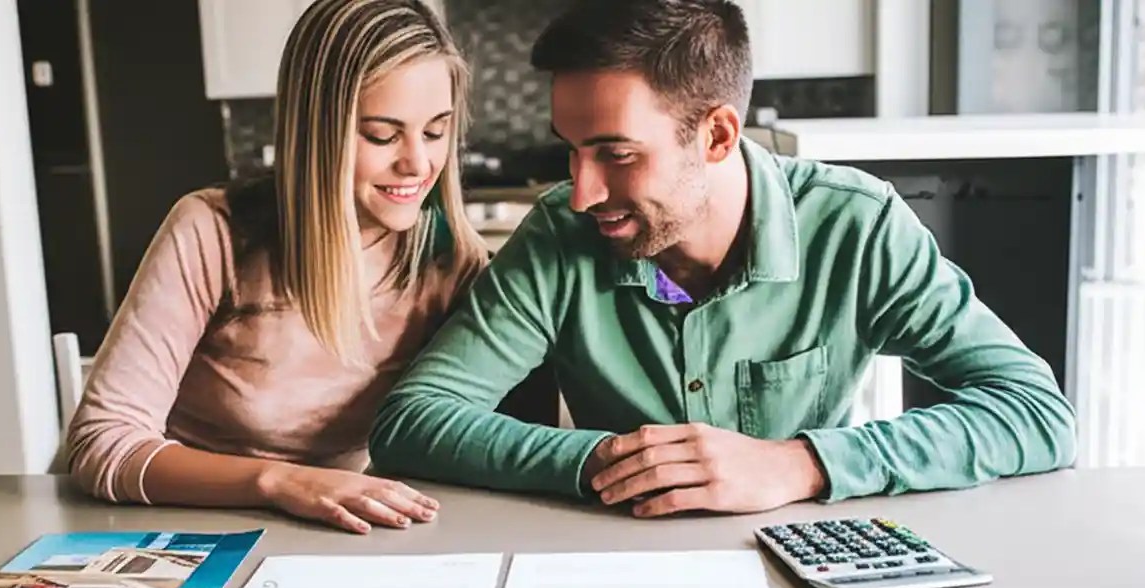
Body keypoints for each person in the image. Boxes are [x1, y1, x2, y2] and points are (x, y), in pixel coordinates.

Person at [369, 0, 1077, 518]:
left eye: (616, 154)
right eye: (571, 149)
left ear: (716, 135)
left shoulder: (858, 225)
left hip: (812, 564)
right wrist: (612, 464)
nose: (582, 192)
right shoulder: (560, 234)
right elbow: (413, 421)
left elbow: (1037, 415)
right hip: (615, 567)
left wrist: (800, 464)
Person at [67, 0, 488, 534]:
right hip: (184, 525)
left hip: (334, 532)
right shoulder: (211, 231)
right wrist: (279, 482)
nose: (418, 163)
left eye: (435, 132)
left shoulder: (451, 262)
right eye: (382, 134)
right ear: (317, 129)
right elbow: (103, 442)